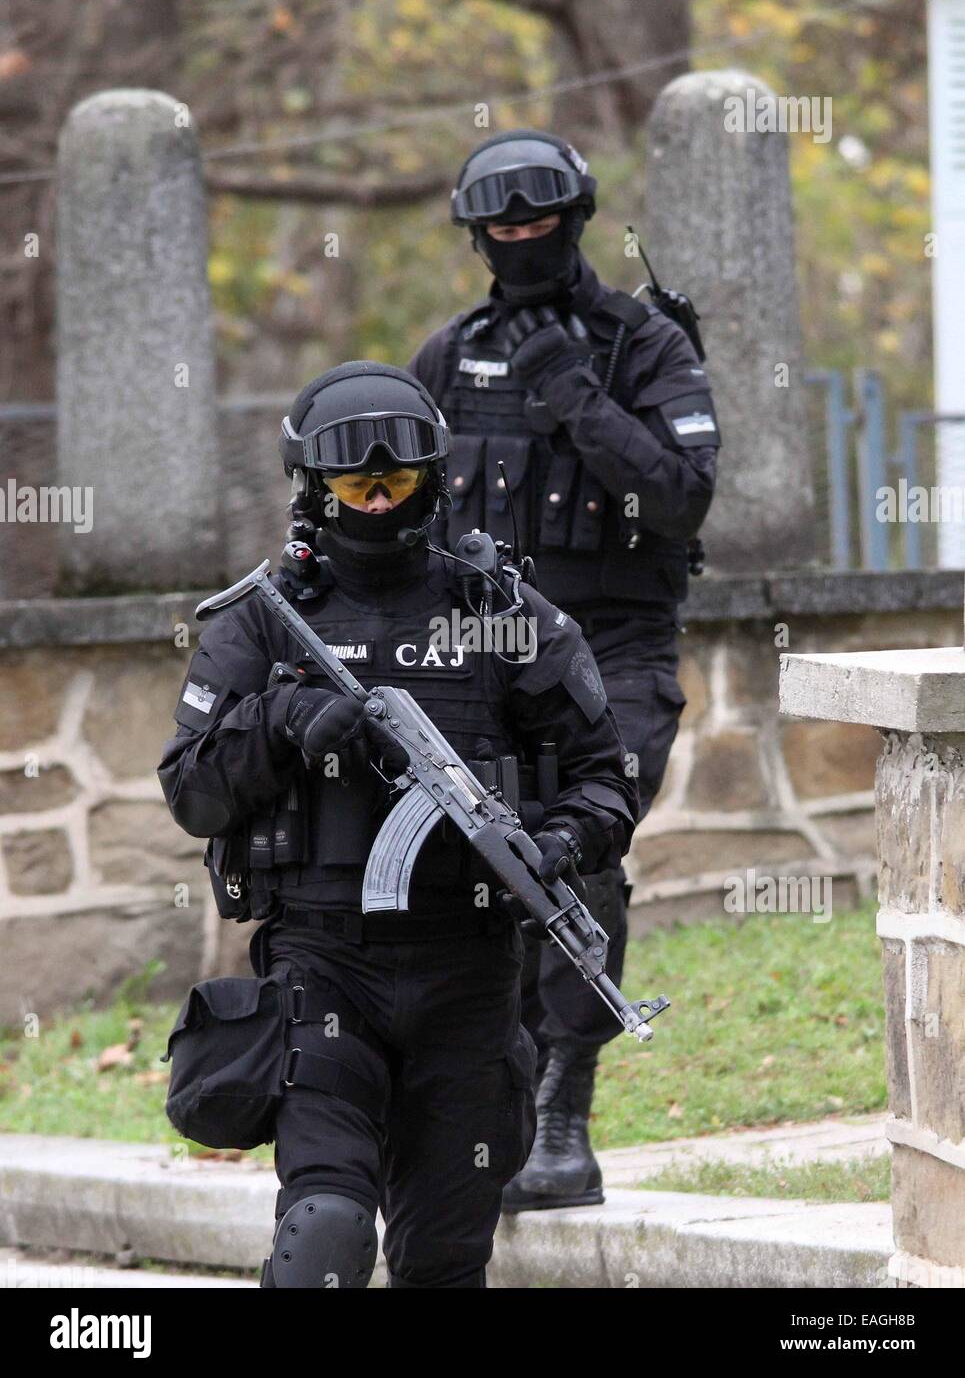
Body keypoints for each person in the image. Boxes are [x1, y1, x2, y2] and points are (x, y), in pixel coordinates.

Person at [158, 361, 638, 1288]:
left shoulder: (501, 617)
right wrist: (280, 722)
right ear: (312, 490)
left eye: (398, 481)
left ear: (433, 480)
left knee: (444, 1261)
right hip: (323, 964)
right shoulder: (263, 627)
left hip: (470, 974)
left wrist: (561, 845)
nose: (376, 503)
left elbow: (602, 779)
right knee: (324, 1236)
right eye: (353, 483)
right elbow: (191, 793)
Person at [408, 129, 720, 1211]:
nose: (519, 239)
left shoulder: (644, 346)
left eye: (538, 221)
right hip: (491, 655)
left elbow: (679, 498)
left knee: (577, 853)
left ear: (577, 218)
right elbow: (398, 517)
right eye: (499, 227)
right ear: (477, 236)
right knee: (468, 874)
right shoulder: (446, 358)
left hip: (617, 648)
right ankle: (477, 1110)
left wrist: (574, 396)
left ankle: (561, 1121)